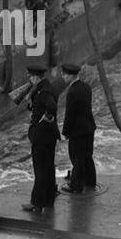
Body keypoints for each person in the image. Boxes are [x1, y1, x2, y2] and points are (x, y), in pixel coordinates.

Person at [22, 64, 59, 212]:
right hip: (49, 136)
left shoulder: (44, 92)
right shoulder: (46, 87)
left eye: (30, 77)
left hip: (42, 136)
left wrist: (44, 121)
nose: (30, 79)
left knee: (40, 170)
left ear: (35, 77)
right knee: (48, 168)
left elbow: (51, 107)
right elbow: (42, 106)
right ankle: (48, 199)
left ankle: (36, 203)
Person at [60, 62, 97, 193]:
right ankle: (91, 181)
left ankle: (76, 186)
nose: (62, 76)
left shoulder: (72, 91)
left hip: (78, 131)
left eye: (64, 74)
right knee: (87, 155)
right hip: (89, 127)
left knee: (77, 158)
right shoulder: (86, 87)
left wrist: (65, 132)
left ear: (70, 76)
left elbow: (70, 114)